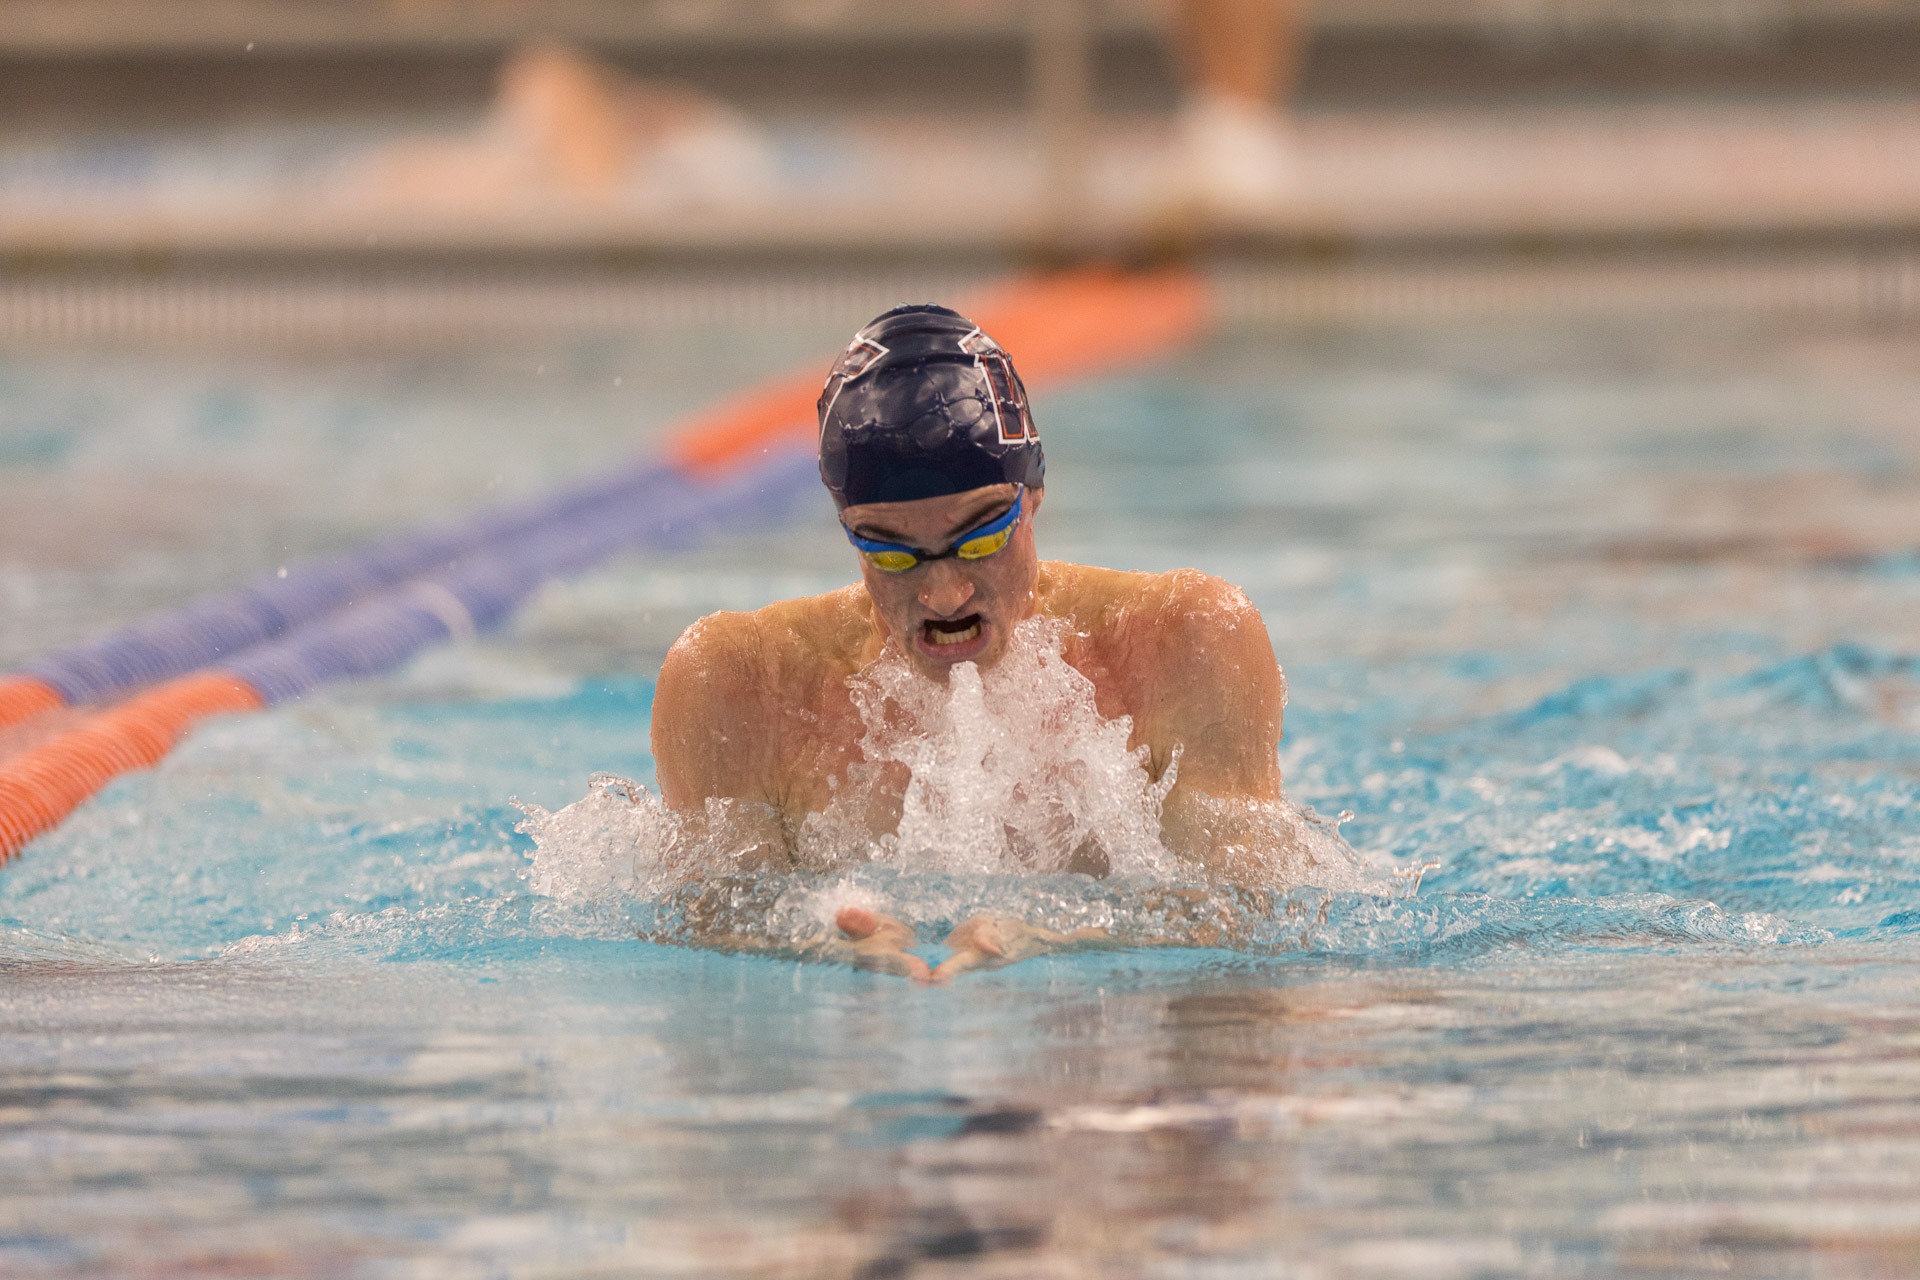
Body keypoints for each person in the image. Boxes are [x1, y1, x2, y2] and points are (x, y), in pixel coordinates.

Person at [651, 304, 1291, 981]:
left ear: (1034, 494)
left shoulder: (1186, 639)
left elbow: (1251, 911)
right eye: (893, 552)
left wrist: (1061, 939)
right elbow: (709, 926)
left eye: (982, 537)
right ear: (847, 532)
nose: (946, 594)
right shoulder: (739, 684)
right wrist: (811, 947)